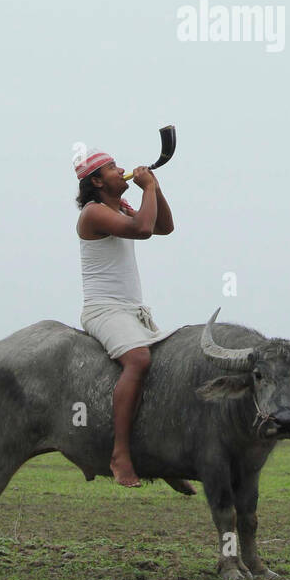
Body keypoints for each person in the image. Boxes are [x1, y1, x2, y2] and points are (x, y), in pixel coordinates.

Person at [75, 149, 189, 490]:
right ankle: (120, 454)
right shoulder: (93, 213)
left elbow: (164, 227)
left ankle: (162, 459)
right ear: (96, 181)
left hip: (132, 311)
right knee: (138, 360)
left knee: (168, 365)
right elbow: (142, 229)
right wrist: (147, 191)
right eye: (112, 168)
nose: (121, 169)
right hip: (104, 310)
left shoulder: (120, 207)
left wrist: (153, 186)